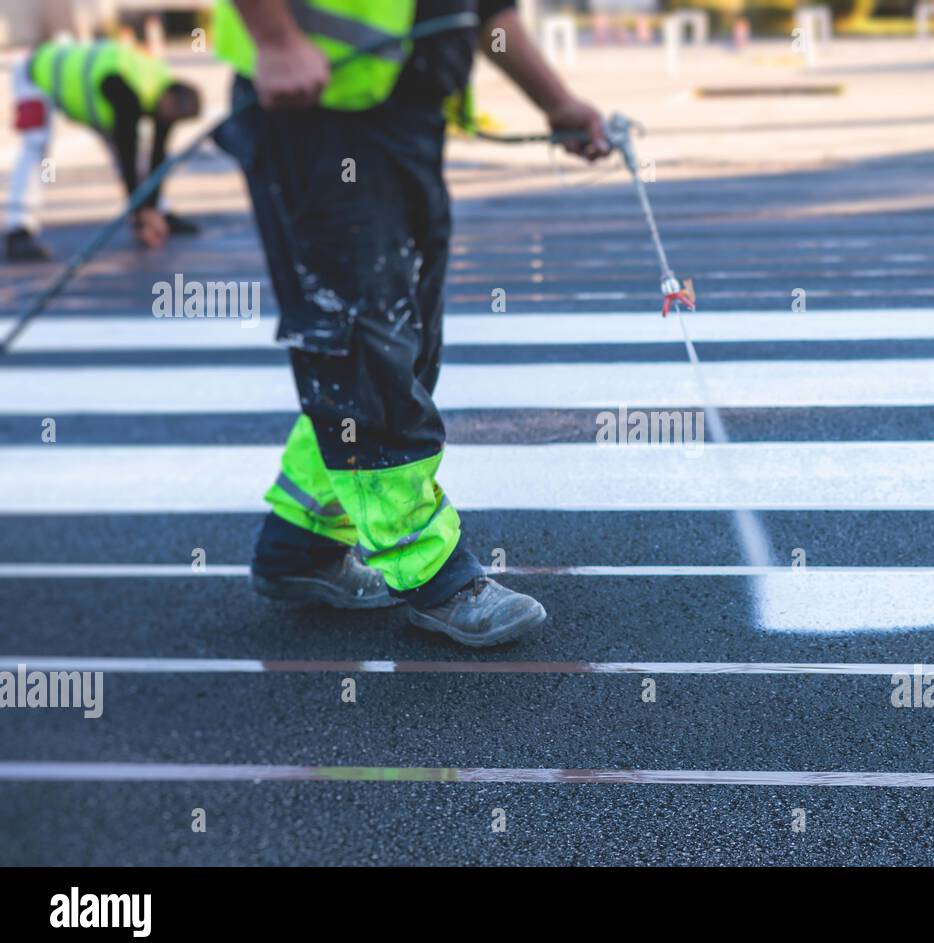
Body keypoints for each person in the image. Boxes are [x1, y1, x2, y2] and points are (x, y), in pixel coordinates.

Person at [213, 0, 610, 647]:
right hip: (315, 114)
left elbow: (487, 14)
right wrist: (275, 35)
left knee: (406, 338)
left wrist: (557, 103)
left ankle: (300, 545)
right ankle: (431, 575)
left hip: (403, 119)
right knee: (363, 344)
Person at [6, 38, 203, 261]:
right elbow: (128, 154)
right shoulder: (126, 93)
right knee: (36, 145)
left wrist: (151, 210)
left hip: (90, 99)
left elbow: (157, 156)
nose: (165, 124)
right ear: (169, 99)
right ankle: (18, 229)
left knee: (137, 152)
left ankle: (159, 211)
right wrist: (141, 215)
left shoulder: (163, 91)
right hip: (37, 74)